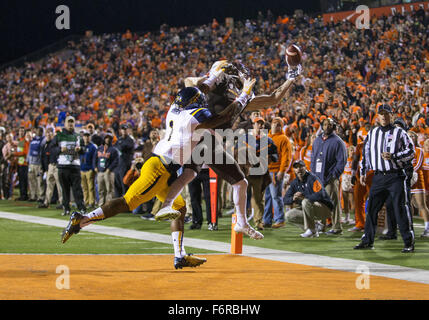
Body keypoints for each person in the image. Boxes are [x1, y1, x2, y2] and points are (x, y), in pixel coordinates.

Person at [61, 84, 246, 269]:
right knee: (126, 202)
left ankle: (179, 255)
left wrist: (212, 78)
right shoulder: (193, 117)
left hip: (162, 167)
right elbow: (223, 118)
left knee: (179, 207)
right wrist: (243, 96)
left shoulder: (174, 110)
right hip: (160, 169)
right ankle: (82, 220)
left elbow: (198, 94)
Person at [155, 60, 301, 238]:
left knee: (239, 182)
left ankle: (241, 222)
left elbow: (273, 99)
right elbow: (189, 82)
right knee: (189, 174)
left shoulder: (240, 96)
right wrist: (212, 76)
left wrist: (291, 78)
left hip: (212, 142)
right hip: (196, 135)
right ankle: (166, 205)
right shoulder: (213, 84)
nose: (241, 79)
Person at [354, 104, 416, 253]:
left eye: (386, 114)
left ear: (391, 115)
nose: (384, 117)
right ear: (378, 116)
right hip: (378, 176)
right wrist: (363, 172)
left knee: (400, 209)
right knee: (372, 209)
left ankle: (408, 242)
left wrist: (394, 157)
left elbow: (411, 152)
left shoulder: (400, 132)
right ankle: (367, 240)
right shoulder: (372, 133)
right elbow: (366, 154)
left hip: (395, 176)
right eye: (381, 114)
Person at [311, 118, 347, 235]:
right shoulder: (317, 140)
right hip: (318, 177)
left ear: (334, 127)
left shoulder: (338, 142)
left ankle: (337, 227)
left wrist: (334, 175)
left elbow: (342, 161)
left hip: (330, 178)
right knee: (320, 202)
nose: (327, 127)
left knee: (333, 203)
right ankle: (321, 225)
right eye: (325, 125)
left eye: (330, 125)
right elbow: (313, 158)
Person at [284, 160, 334, 237]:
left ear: (305, 167)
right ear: (294, 170)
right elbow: (285, 200)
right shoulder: (295, 182)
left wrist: (304, 196)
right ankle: (314, 226)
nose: (299, 169)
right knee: (288, 215)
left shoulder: (312, 178)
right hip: (309, 209)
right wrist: (293, 198)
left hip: (324, 209)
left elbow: (321, 194)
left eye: (301, 166)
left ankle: (312, 231)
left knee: (305, 202)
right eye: (296, 167)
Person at [53, 116, 86, 216]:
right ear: (65, 124)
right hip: (63, 166)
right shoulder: (59, 136)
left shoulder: (78, 136)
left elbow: (84, 149)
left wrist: (80, 149)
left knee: (77, 189)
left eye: (72, 122)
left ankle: (82, 208)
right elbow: (52, 149)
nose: (70, 124)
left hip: (74, 166)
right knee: (65, 189)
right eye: (69, 122)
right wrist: (59, 150)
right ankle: (66, 208)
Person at [263, 117, 292, 229]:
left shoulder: (284, 139)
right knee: (268, 197)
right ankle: (267, 220)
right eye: (274, 123)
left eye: (278, 124)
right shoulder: (267, 137)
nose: (276, 126)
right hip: (266, 171)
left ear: (281, 126)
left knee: (276, 196)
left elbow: (286, 157)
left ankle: (280, 219)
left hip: (275, 172)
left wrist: (282, 171)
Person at [38, 127, 63, 209]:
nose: (48, 134)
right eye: (47, 133)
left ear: (53, 134)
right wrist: (45, 168)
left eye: (50, 133)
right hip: (50, 166)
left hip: (57, 165)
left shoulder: (56, 142)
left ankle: (62, 203)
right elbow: (44, 157)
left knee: (59, 185)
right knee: (49, 185)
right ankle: (46, 202)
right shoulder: (45, 144)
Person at [95, 133, 119, 207]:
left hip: (109, 172)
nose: (107, 139)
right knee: (100, 189)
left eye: (109, 138)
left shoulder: (114, 150)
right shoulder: (99, 148)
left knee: (109, 189)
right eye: (106, 138)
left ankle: (109, 205)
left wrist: (109, 168)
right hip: (100, 171)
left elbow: (116, 161)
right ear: (104, 139)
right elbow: (95, 158)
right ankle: (101, 204)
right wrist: (95, 167)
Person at [188, 164, 212, 230]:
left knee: (210, 197)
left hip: (208, 169)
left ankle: (212, 222)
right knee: (194, 197)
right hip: (193, 169)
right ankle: (196, 221)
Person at [114, 124, 135, 197]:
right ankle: (118, 200)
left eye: (125, 129)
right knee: (117, 183)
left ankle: (125, 202)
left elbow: (124, 147)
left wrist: (120, 145)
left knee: (124, 183)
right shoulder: (119, 139)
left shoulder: (130, 140)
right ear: (121, 130)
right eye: (123, 129)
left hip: (126, 164)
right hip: (118, 164)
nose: (124, 131)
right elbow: (115, 148)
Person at [80, 130, 97, 209]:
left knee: (90, 187)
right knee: (84, 188)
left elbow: (94, 158)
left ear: (90, 137)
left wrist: (93, 168)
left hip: (89, 169)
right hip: (82, 169)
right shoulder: (81, 146)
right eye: (85, 136)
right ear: (83, 137)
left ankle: (92, 202)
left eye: (88, 136)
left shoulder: (93, 147)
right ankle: (86, 202)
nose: (86, 137)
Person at [27, 127, 45, 203]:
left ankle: (40, 196)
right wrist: (28, 160)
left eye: (40, 131)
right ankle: (33, 195)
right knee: (31, 180)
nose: (38, 132)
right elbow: (29, 150)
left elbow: (42, 152)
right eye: (37, 130)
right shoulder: (33, 140)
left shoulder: (43, 140)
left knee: (39, 181)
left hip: (38, 164)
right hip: (31, 163)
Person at [13, 127, 29, 201]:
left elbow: (25, 153)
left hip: (24, 164)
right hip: (20, 163)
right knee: (21, 180)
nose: (21, 132)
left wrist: (15, 154)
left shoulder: (25, 141)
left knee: (23, 180)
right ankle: (22, 195)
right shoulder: (20, 141)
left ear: (24, 133)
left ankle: (24, 195)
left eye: (22, 131)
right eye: (20, 131)